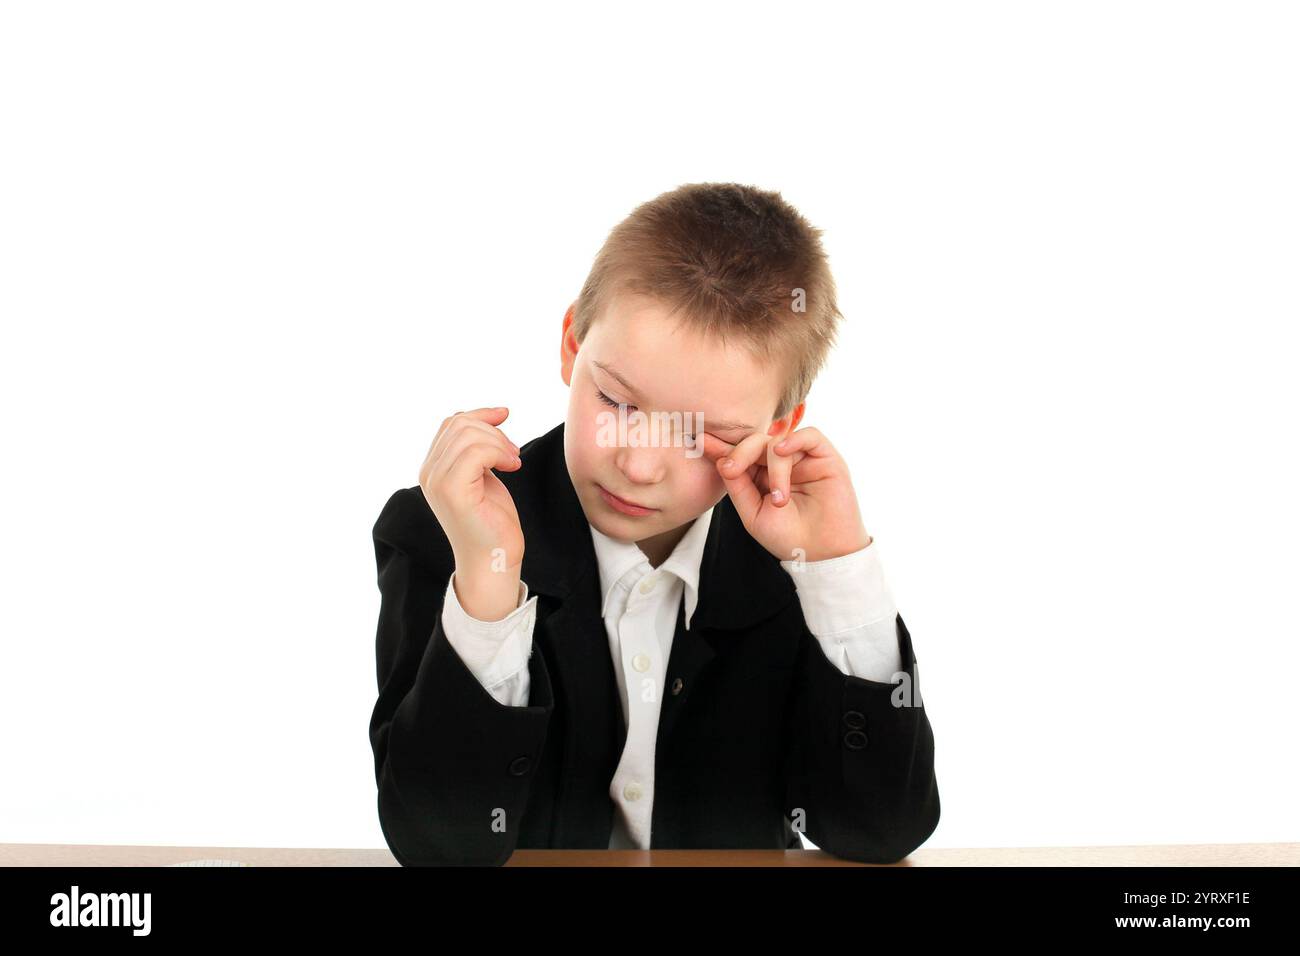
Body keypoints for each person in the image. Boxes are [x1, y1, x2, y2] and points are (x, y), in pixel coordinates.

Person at [369, 182, 939, 866]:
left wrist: (838, 575)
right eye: (617, 401)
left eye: (703, 437)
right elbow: (437, 846)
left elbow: (879, 831)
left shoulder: (792, 568)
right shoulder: (445, 528)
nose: (640, 465)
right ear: (572, 343)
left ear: (778, 427)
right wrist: (487, 592)